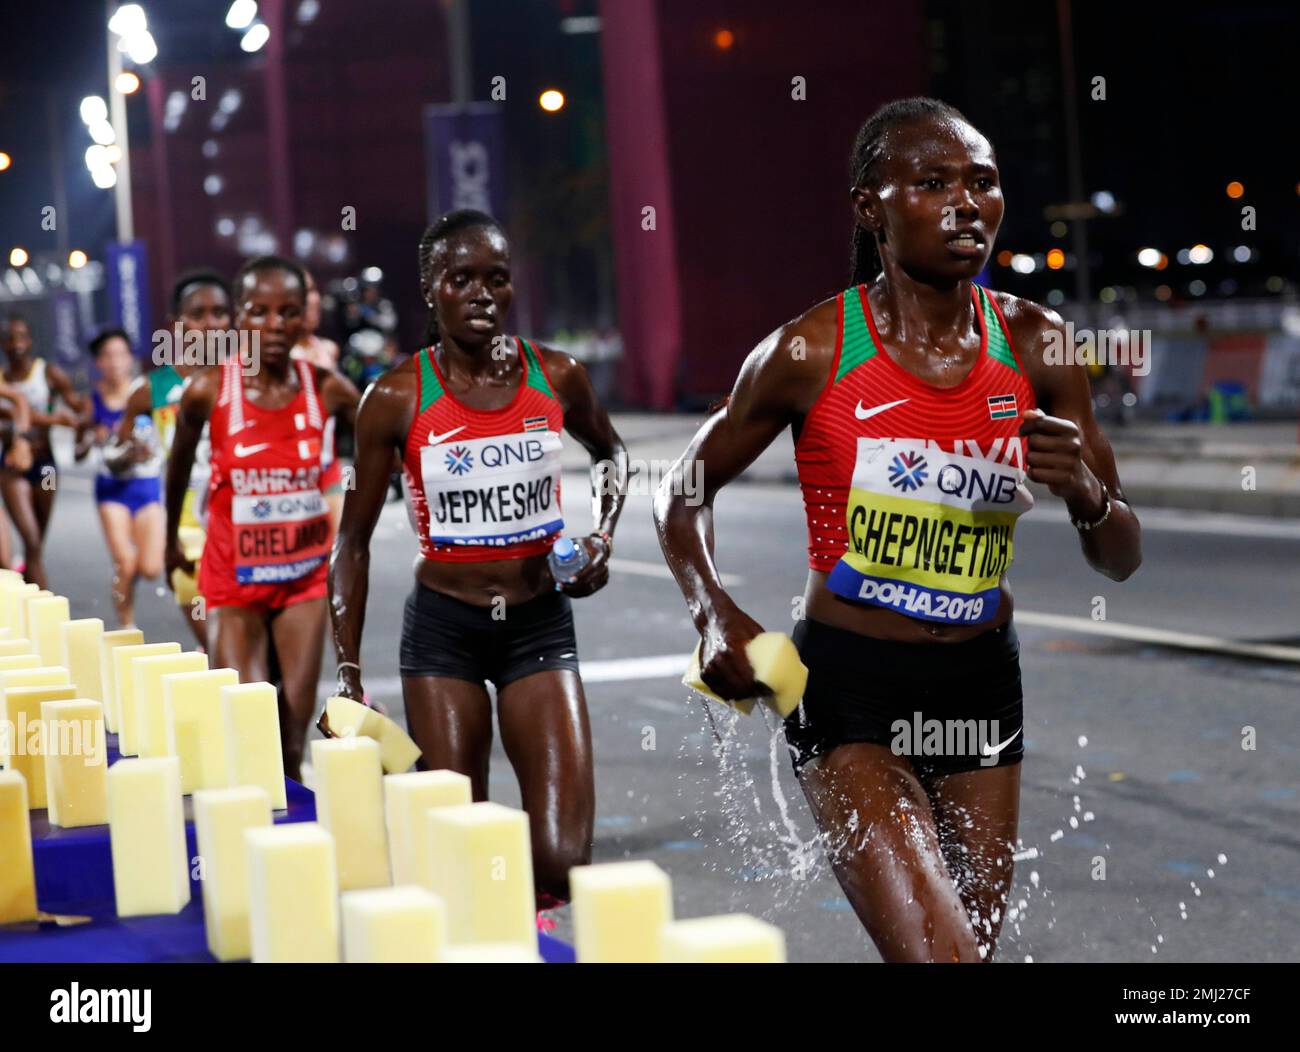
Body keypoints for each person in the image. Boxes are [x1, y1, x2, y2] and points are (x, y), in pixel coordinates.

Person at [653, 98, 1142, 963]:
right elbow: (681, 491)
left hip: (981, 686)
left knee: (965, 953)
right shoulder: (809, 352)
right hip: (850, 692)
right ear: (869, 207)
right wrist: (712, 610)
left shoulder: (1039, 345)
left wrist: (1090, 497)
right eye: (933, 182)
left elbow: (1120, 561)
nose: (967, 204)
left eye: (982, 183)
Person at [327, 210, 628, 909]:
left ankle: (534, 935)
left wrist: (602, 535)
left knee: (560, 862)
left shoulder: (557, 375)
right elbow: (353, 542)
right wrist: (347, 676)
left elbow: (611, 453)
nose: (482, 295)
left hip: (539, 627)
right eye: (461, 279)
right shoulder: (396, 398)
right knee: (460, 849)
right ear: (431, 289)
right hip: (444, 634)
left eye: (496, 279)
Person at [165, 256, 360, 779]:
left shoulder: (328, 389)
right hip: (232, 581)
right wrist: (169, 544)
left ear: (305, 317)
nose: (274, 326)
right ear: (240, 318)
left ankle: (291, 852)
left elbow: (385, 442)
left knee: (291, 742)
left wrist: (352, 538)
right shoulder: (209, 390)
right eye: (259, 311)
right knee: (247, 728)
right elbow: (177, 469)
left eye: (288, 312)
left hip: (302, 582)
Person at [106, 270, 233, 647]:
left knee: (256, 660)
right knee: (219, 653)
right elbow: (114, 454)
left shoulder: (249, 378)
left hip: (244, 526)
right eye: (198, 314)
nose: (211, 324)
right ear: (176, 324)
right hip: (186, 533)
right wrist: (129, 453)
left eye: (220, 312)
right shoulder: (152, 389)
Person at [76, 328, 163, 627]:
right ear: (98, 363)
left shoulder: (147, 391)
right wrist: (90, 439)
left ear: (130, 358)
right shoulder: (92, 401)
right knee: (125, 561)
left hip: (146, 485)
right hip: (111, 488)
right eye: (107, 356)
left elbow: (180, 413)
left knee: (151, 567)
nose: (115, 362)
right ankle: (126, 626)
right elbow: (78, 450)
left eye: (120, 355)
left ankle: (125, 583)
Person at [1, 313, 87, 587]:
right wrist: (54, 419)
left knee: (37, 544)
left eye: (21, 337)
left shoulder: (47, 373)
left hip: (47, 466)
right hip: (13, 467)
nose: (16, 345)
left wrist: (82, 433)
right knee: (31, 538)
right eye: (8, 339)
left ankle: (26, 599)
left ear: (30, 340)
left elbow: (79, 406)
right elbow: (13, 411)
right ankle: (44, 610)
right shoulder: (1, 380)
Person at [291, 269, 344, 533]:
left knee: (338, 557)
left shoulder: (328, 350)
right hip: (287, 477)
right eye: (304, 292)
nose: (313, 300)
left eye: (313, 291)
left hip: (327, 466)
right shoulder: (262, 358)